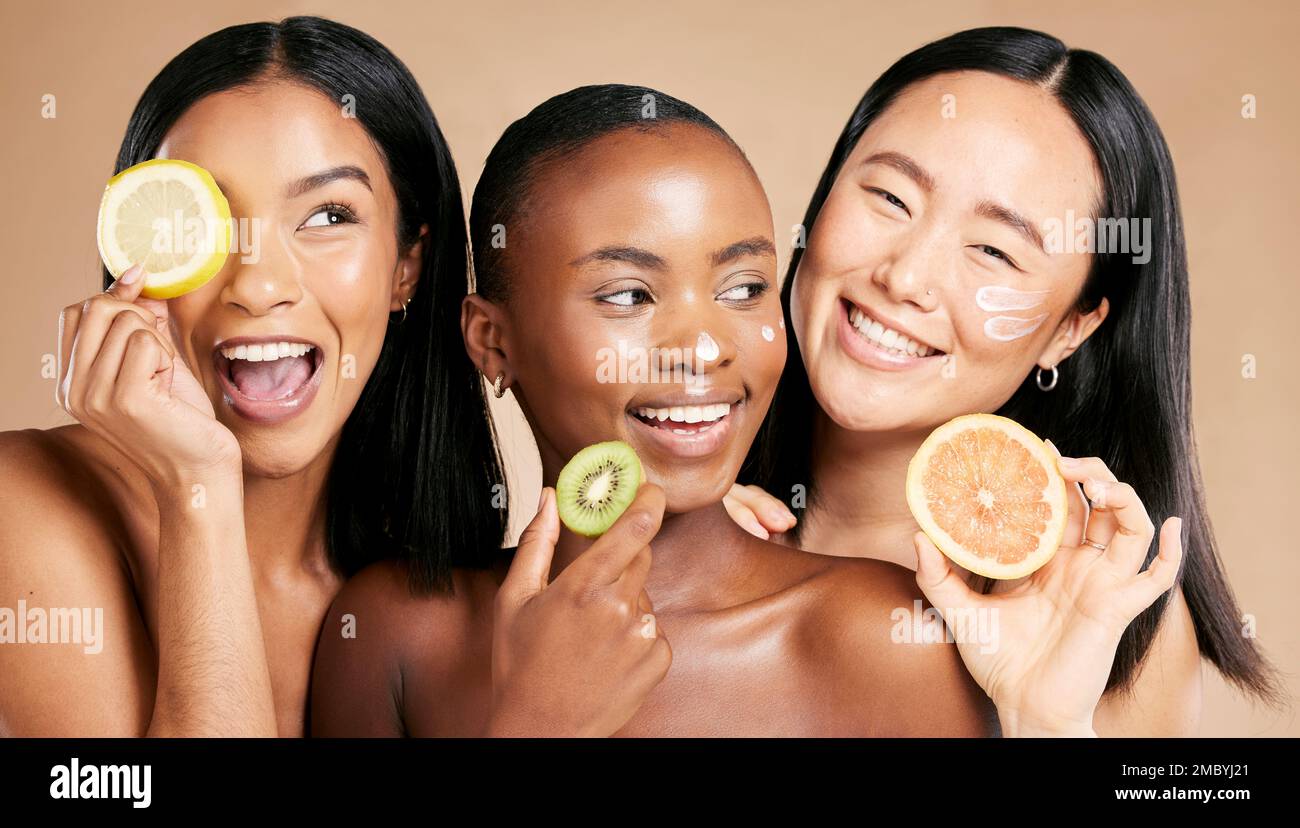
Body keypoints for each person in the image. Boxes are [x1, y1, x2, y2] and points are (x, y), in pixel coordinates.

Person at [310, 84, 1181, 737]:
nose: (703, 346)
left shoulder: (882, 638)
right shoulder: (392, 630)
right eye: (624, 294)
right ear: (491, 342)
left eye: (743, 287)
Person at [724, 26, 1283, 734]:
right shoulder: (658, 518)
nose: (905, 277)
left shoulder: (1106, 617)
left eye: (993, 250)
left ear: (1068, 330)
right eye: (892, 198)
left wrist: (1043, 722)